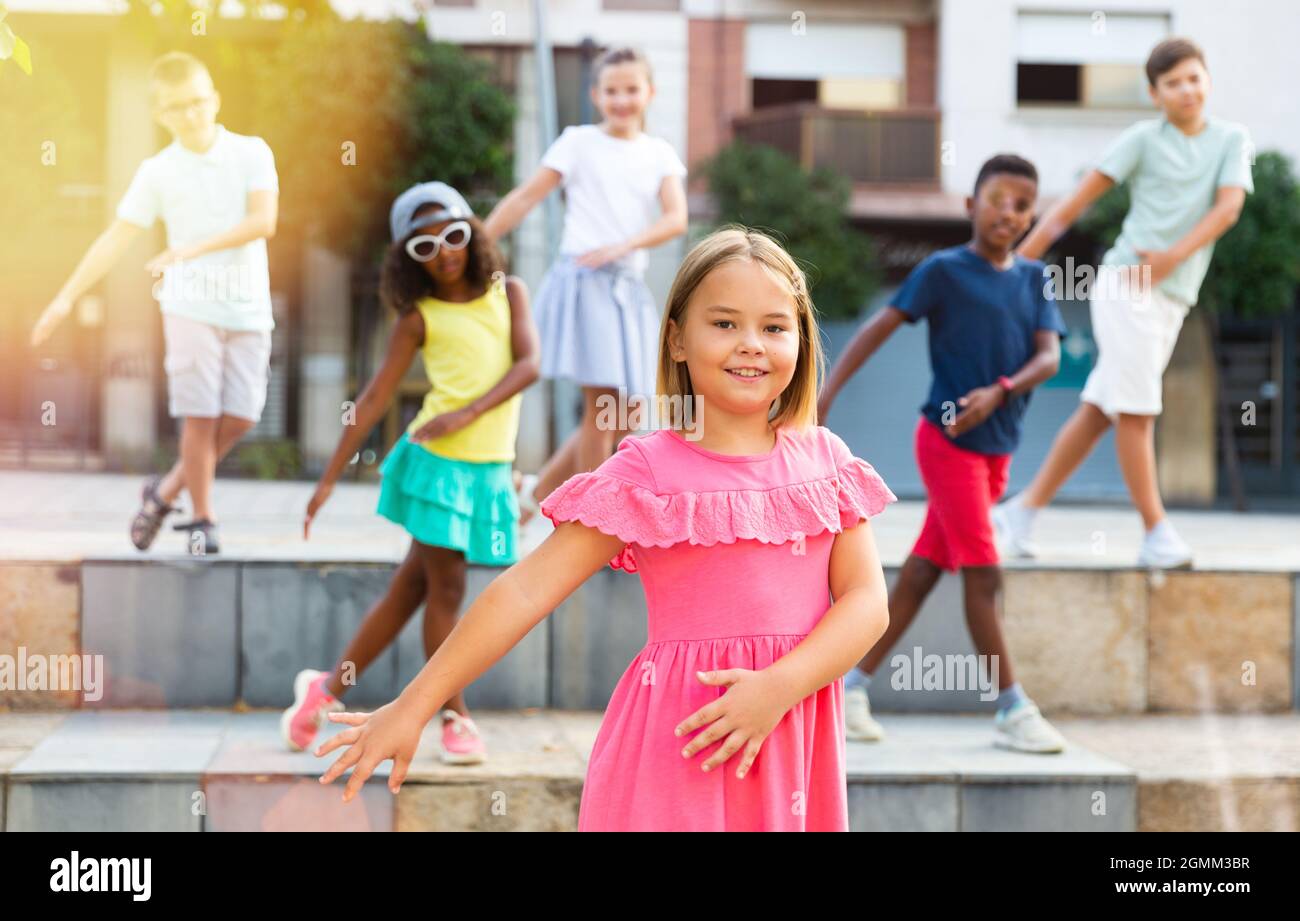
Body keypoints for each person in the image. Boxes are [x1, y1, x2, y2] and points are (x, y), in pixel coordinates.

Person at [314, 228, 894, 831]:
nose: (751, 344)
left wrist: (777, 688)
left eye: (774, 327)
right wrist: (415, 704)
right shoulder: (645, 471)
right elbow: (523, 591)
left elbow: (867, 603)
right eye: (724, 324)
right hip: (680, 751)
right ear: (676, 338)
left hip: (788, 739)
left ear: (800, 338)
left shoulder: (826, 463)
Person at [819, 155, 1068, 753]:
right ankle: (1012, 706)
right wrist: (824, 394)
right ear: (969, 206)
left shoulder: (1034, 279)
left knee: (927, 569)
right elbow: (882, 325)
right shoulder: (944, 271)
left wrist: (1001, 391)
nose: (1009, 213)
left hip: (996, 451)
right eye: (997, 199)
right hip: (947, 442)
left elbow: (1050, 358)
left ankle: (850, 689)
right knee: (984, 572)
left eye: (1022, 205)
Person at [284, 182, 539, 766]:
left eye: (453, 236)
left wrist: (469, 412)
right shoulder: (418, 318)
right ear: (408, 259)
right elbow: (373, 398)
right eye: (425, 247)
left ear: (471, 232)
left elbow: (531, 364)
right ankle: (454, 715)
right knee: (446, 590)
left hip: (486, 465)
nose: (445, 253)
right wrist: (326, 480)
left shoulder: (510, 292)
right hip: (437, 468)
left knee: (409, 592)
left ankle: (325, 692)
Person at [997, 37, 1254, 569]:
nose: (1186, 89)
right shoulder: (1142, 139)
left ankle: (1022, 511)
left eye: (1193, 77)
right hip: (1126, 283)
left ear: (1207, 79)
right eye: (1173, 82)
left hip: (1172, 295)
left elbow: (1228, 210)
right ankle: (1156, 531)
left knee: (1100, 411)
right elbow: (1070, 207)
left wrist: (1173, 258)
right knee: (1137, 411)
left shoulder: (1232, 140)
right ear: (1154, 94)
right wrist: (1014, 267)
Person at [30, 51, 279, 555]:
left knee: (244, 417)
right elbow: (116, 238)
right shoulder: (158, 171)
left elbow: (263, 223)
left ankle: (163, 491)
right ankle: (204, 520)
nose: (190, 114)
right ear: (159, 114)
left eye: (197, 102)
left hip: (248, 306)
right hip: (188, 305)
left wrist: (188, 248)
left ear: (215, 100)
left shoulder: (252, 152)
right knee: (201, 416)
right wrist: (64, 297)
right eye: (176, 107)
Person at [482, 46, 688, 524]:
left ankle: (534, 495)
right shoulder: (577, 142)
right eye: (611, 91)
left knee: (628, 411)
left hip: (626, 285)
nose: (622, 100)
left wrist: (624, 245)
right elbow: (527, 195)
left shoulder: (659, 153)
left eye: (631, 89)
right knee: (602, 407)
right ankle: (593, 520)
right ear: (596, 95)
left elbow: (676, 218)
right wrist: (479, 241)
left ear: (649, 93)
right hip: (585, 281)